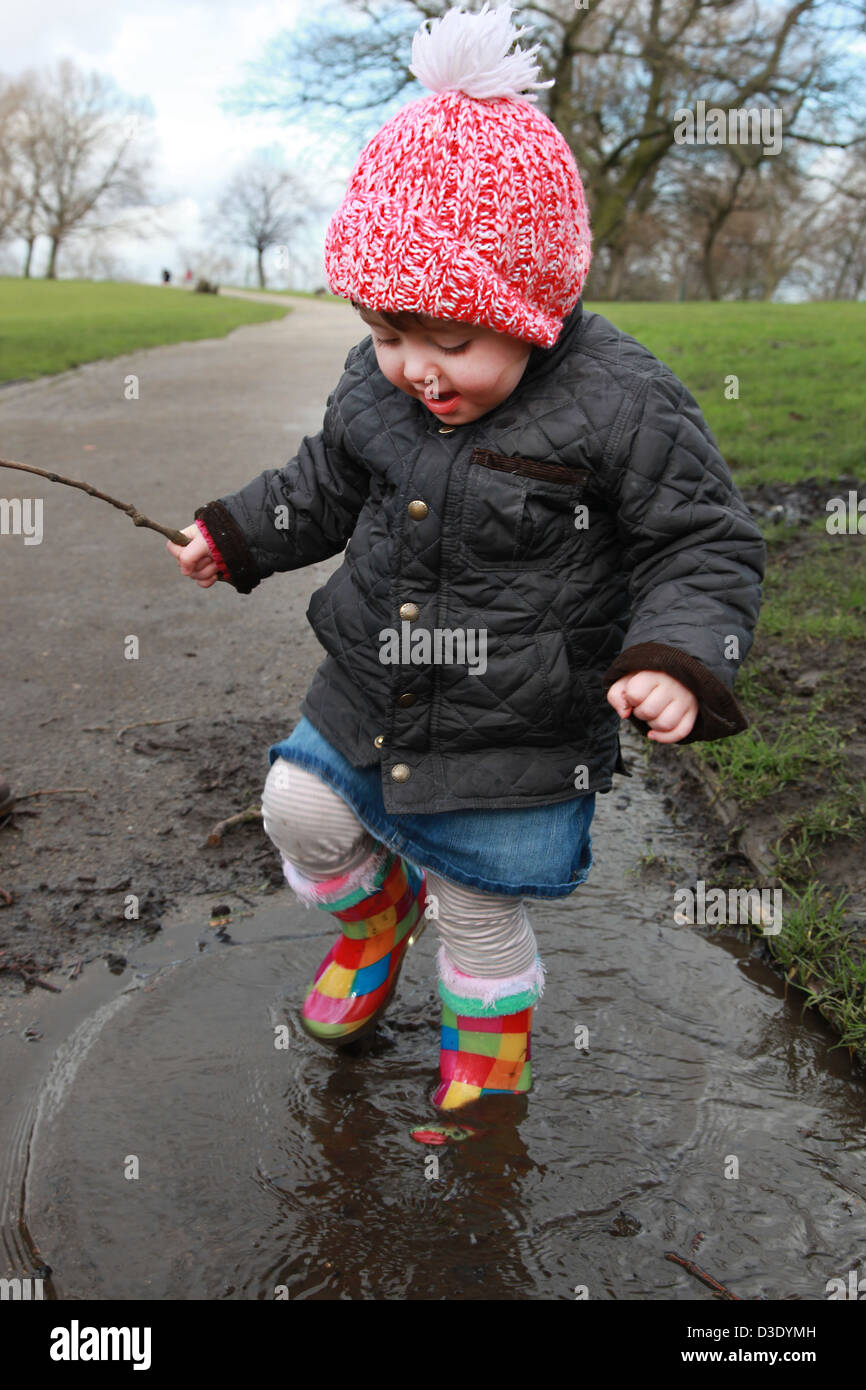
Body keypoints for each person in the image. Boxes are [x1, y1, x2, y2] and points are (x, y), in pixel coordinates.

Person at [166, 3, 765, 1133]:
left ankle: (483, 1064)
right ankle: (369, 920)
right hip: (368, 680)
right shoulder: (377, 380)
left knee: (477, 906)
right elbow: (327, 479)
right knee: (296, 807)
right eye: (390, 336)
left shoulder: (617, 401)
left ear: (533, 307)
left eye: (451, 343)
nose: (416, 372)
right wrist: (238, 533)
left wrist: (678, 659)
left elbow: (701, 538)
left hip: (514, 717)